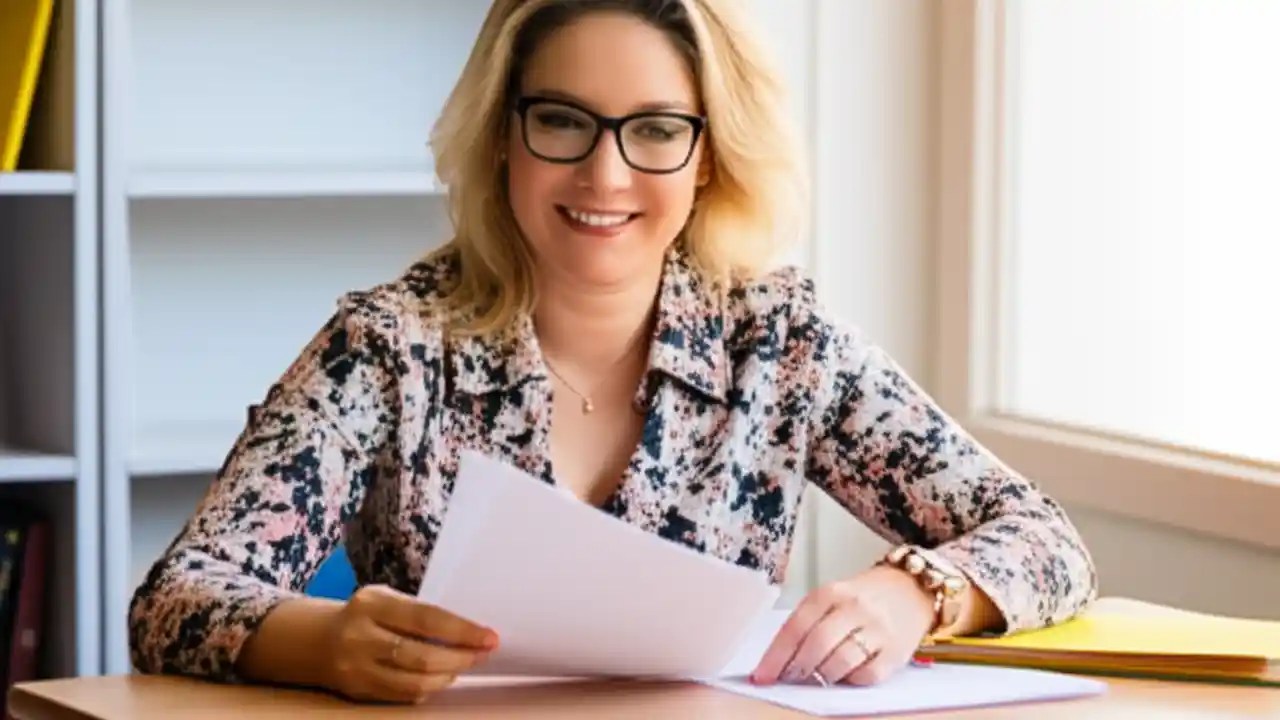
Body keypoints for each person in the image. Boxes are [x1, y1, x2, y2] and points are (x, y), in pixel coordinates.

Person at [128, 0, 1097, 705]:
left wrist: (913, 594)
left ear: (708, 153)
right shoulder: (388, 349)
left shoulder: (781, 347)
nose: (604, 172)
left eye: (655, 131)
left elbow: (1043, 538)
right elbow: (176, 597)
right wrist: (324, 641)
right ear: (503, 136)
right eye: (560, 121)